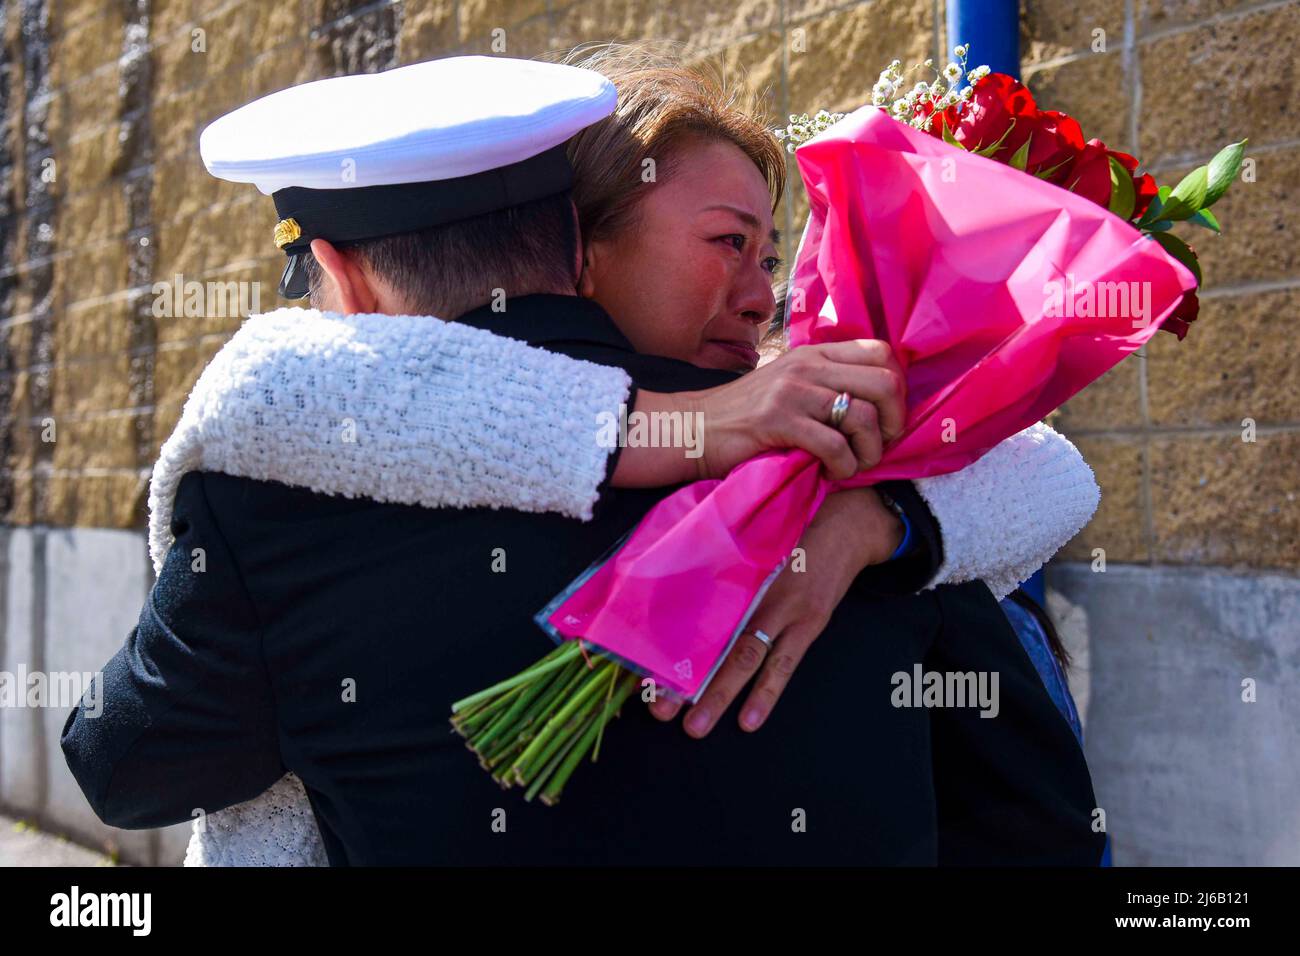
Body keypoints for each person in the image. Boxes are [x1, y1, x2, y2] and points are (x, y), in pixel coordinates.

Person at [62, 54, 1104, 865]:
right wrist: (877, 517)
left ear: (343, 275)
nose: (761, 293)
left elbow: (128, 767)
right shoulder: (859, 471)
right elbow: (1036, 820)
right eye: (726, 243)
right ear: (577, 252)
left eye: (767, 252)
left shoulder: (280, 498)